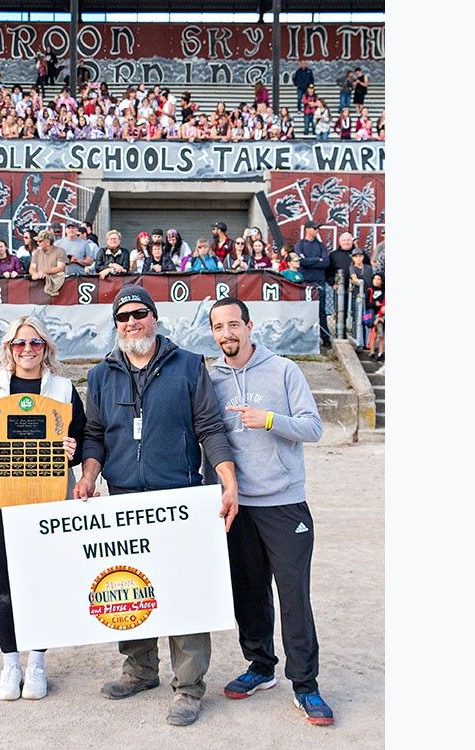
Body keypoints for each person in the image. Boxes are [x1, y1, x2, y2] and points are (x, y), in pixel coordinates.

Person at [73, 286, 239, 728]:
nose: (132, 322)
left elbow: (209, 426)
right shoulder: (99, 376)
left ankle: (188, 687)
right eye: (123, 316)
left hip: (180, 497)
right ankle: (140, 669)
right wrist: (89, 477)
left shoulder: (188, 366)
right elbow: (94, 433)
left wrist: (228, 483)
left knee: (183, 592)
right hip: (124, 497)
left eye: (140, 313)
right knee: (128, 589)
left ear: (154, 317)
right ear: (116, 324)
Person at [206, 297, 334, 726]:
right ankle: (260, 667)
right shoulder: (212, 379)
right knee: (249, 593)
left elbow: (313, 427)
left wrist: (269, 420)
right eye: (219, 327)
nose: (227, 334)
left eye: (234, 325)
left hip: (284, 504)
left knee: (294, 596)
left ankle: (306, 685)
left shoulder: (283, 370)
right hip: (238, 507)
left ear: (248, 326)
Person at [0, 316, 86, 701]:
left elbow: (81, 438)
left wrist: (73, 452)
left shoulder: (65, 390)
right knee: (3, 586)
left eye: (35, 343)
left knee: (42, 582)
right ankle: (10, 663)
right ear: (9, 349)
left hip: (46, 500)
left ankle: (36, 661)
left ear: (46, 348)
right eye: (20, 344)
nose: (28, 350)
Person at [295, 221, 331, 349]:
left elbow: (326, 262)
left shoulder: (321, 245)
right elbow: (302, 262)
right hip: (305, 283)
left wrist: (312, 262)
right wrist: (317, 259)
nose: (317, 230)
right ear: (307, 229)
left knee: (321, 310)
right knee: (303, 311)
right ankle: (301, 338)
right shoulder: (300, 245)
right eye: (315, 228)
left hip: (319, 282)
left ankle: (325, 337)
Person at [28, 229, 67, 296]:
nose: (37, 243)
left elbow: (60, 268)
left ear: (48, 242)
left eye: (40, 241)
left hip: (57, 288)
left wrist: (44, 272)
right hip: (38, 287)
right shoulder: (37, 252)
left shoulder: (60, 251)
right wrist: (36, 274)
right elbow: (32, 268)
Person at [367, 272, 385, 361]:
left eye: (379, 279)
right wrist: (374, 303)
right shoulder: (370, 290)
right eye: (375, 279)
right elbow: (367, 304)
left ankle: (381, 352)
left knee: (381, 335)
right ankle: (372, 352)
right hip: (373, 314)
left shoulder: (384, 291)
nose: (376, 281)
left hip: (382, 315)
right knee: (373, 334)